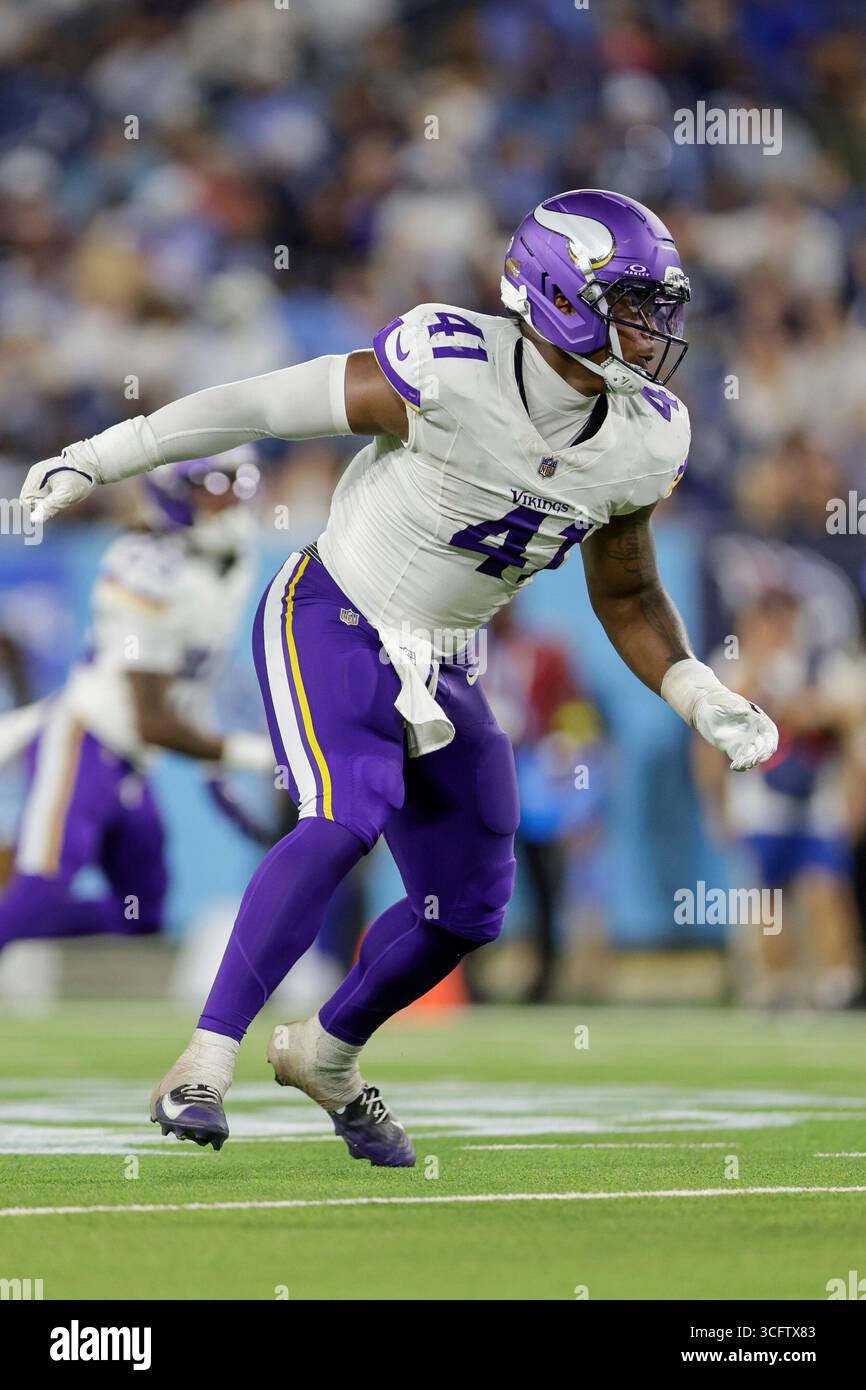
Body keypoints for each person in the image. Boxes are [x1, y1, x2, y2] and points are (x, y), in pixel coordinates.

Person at [20, 189, 778, 1165]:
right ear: (554, 294)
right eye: (628, 301)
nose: (648, 329)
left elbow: (626, 595)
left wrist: (696, 693)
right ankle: (202, 1060)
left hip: (446, 656)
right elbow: (259, 403)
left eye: (654, 306)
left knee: (467, 905)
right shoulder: (452, 367)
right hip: (331, 609)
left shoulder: (644, 435)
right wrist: (101, 456)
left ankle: (326, 1054)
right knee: (346, 809)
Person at [1, 451, 274, 956]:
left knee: (141, 913)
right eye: (214, 484)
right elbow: (152, 720)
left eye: (240, 481)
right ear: (175, 492)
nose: (231, 497)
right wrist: (256, 756)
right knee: (41, 890)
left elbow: (190, 687)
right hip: (86, 738)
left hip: (131, 762)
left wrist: (214, 772)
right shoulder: (145, 567)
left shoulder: (235, 559)